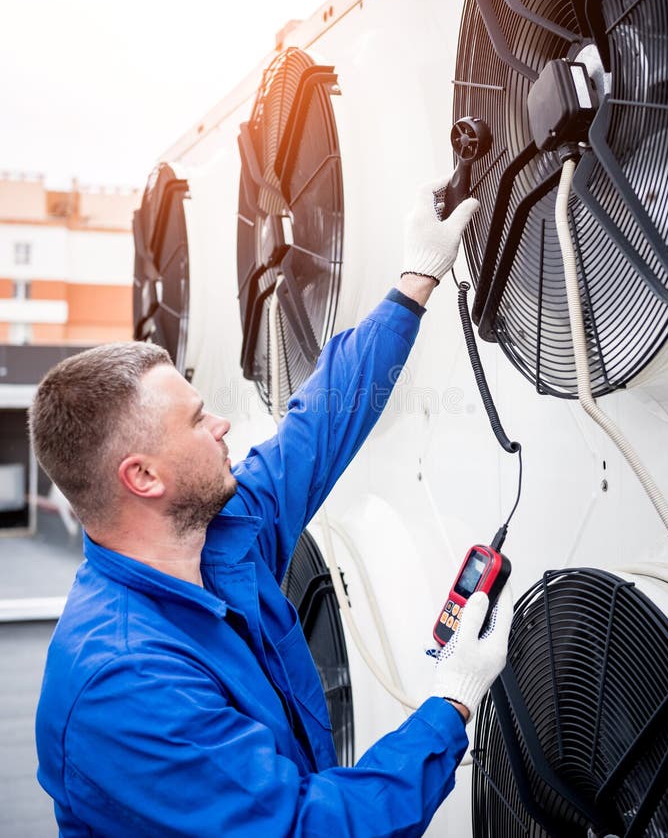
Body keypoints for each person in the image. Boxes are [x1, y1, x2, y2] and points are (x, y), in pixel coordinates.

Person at [31, 181, 513, 837]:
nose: (224, 425)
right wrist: (450, 702)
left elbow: (314, 427)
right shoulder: (127, 685)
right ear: (143, 476)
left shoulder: (224, 533)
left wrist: (414, 283)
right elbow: (305, 829)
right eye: (198, 421)